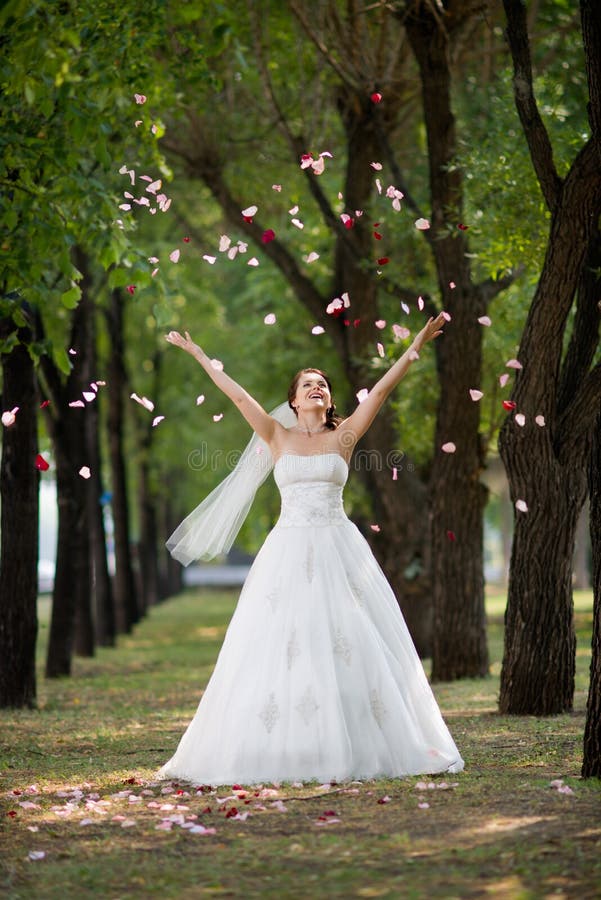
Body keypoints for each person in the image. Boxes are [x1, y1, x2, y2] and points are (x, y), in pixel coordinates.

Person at [158, 313, 464, 785]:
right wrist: (199, 355)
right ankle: (286, 743)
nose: (316, 388)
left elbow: (380, 392)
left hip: (339, 549)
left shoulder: (342, 437)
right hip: (287, 551)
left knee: (346, 639)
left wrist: (416, 345)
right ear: (294, 400)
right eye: (307, 385)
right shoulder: (275, 435)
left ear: (329, 399)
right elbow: (237, 396)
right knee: (281, 643)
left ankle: (355, 738)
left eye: (322, 384)